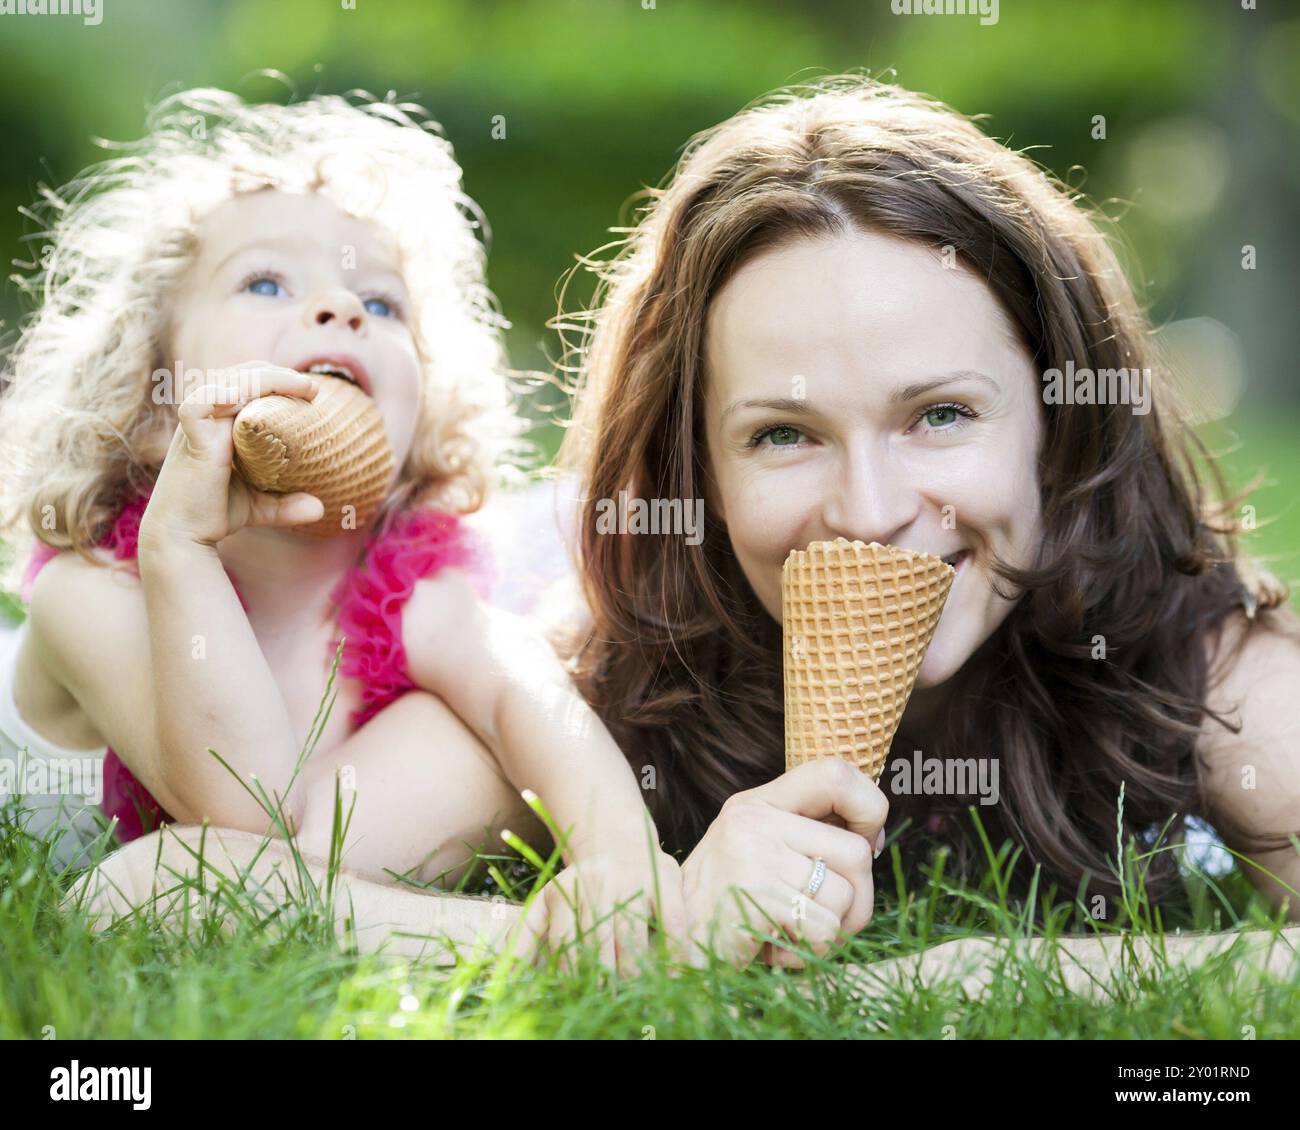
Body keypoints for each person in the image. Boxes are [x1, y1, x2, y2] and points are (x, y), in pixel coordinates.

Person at [553, 74, 1300, 970]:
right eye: (784, 434)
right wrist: (652, 925)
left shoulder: (1200, 667)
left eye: (940, 415)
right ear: (698, 472)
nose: (870, 514)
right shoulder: (609, 683)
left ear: (1060, 424)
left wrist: (978, 974)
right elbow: (334, 886)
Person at [0, 88, 681, 969]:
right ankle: (527, 943)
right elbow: (240, 810)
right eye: (267, 282)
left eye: (383, 304)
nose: (342, 310)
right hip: (176, 817)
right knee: (156, 882)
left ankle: (576, 934)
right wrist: (180, 549)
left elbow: (534, 702)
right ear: (153, 405)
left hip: (259, 854)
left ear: (422, 422)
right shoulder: (93, 589)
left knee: (467, 733)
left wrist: (625, 866)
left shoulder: (414, 589)